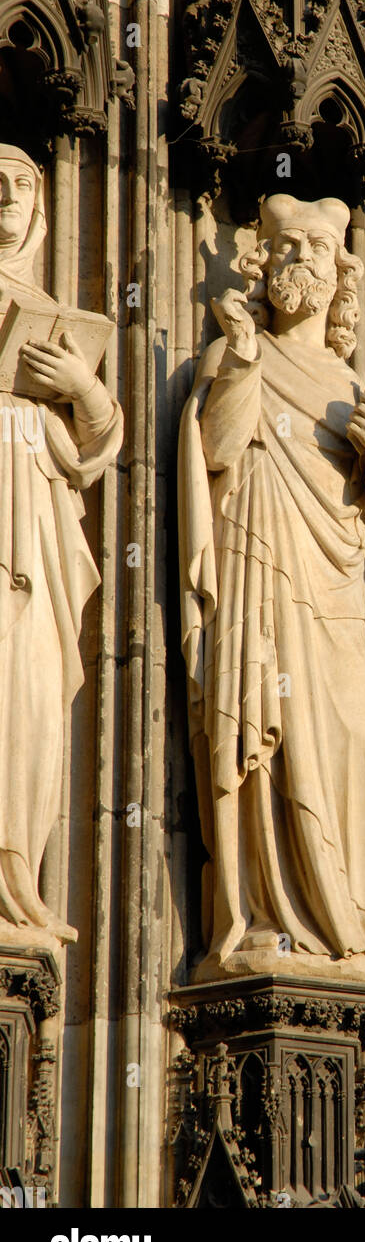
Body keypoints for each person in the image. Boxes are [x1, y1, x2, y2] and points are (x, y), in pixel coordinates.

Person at [179, 194, 365, 986]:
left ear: (339, 275)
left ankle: (349, 914)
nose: (299, 263)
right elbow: (213, 451)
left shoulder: (358, 387)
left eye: (316, 250)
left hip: (336, 596)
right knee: (261, 736)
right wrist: (243, 358)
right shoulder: (233, 354)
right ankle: (265, 919)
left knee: (348, 742)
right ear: (263, 264)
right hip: (258, 585)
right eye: (284, 250)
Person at [0, 143, 122, 945]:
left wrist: (81, 388)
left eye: (19, 185)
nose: (5, 198)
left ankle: (18, 878)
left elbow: (99, 443)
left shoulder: (51, 319)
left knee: (36, 695)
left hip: (38, 532)